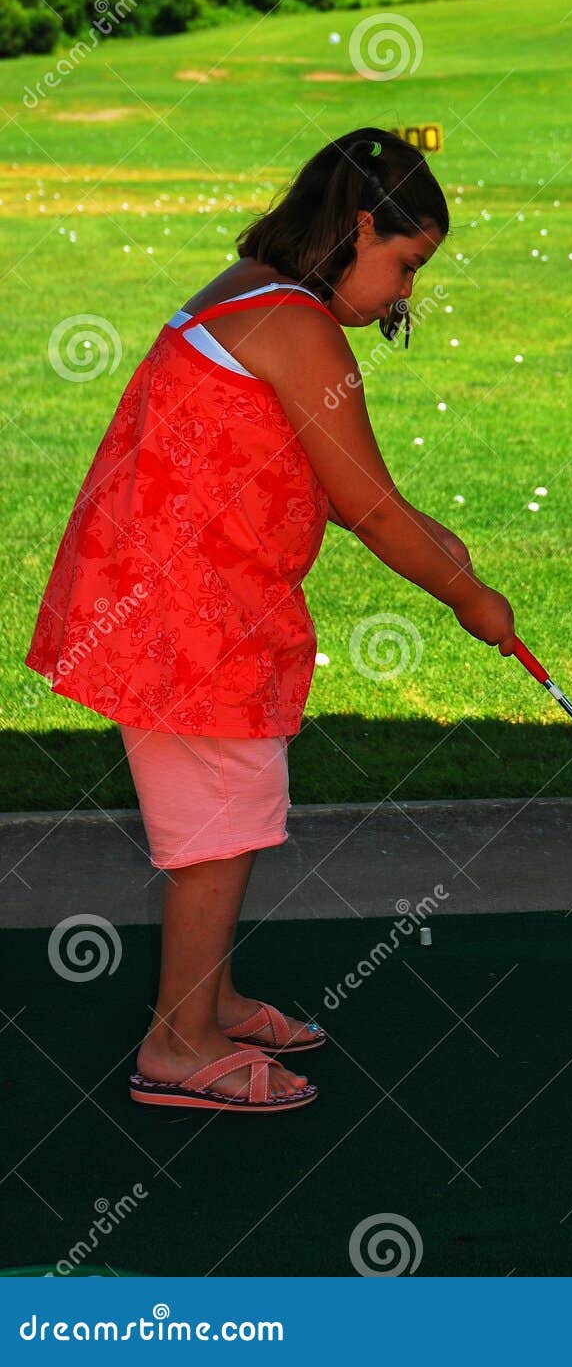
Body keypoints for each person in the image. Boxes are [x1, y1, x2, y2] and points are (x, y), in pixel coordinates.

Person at [24, 128, 516, 1115]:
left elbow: (347, 487)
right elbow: (370, 510)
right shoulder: (298, 328)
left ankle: (209, 1000)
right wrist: (467, 596)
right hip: (185, 618)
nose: (404, 297)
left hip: (183, 604)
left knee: (229, 816)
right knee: (219, 831)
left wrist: (437, 536)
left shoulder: (247, 285)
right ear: (362, 225)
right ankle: (179, 1044)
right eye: (406, 265)